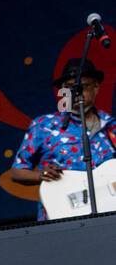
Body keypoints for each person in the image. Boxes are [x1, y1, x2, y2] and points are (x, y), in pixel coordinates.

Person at [10, 57, 116, 219]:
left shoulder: (111, 126)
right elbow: (17, 172)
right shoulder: (43, 126)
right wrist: (41, 175)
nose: (75, 93)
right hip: (61, 216)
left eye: (82, 86)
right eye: (68, 88)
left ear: (96, 87)